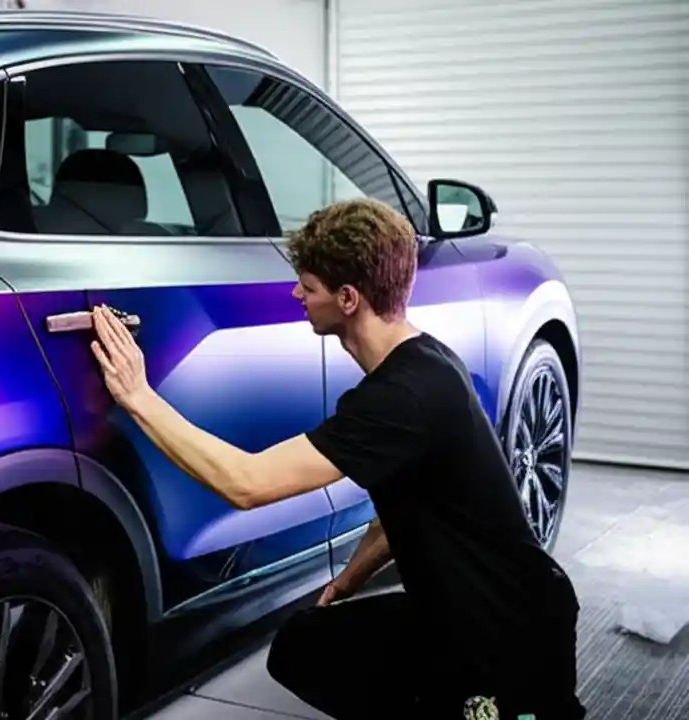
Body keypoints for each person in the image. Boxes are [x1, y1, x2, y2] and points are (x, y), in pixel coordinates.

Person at [88, 198, 585, 719]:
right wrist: (349, 579)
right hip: (470, 608)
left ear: (348, 298)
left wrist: (139, 398)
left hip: (508, 636)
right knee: (306, 644)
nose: (296, 294)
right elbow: (406, 504)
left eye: (309, 285)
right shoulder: (424, 360)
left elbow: (246, 483)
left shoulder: (402, 396)